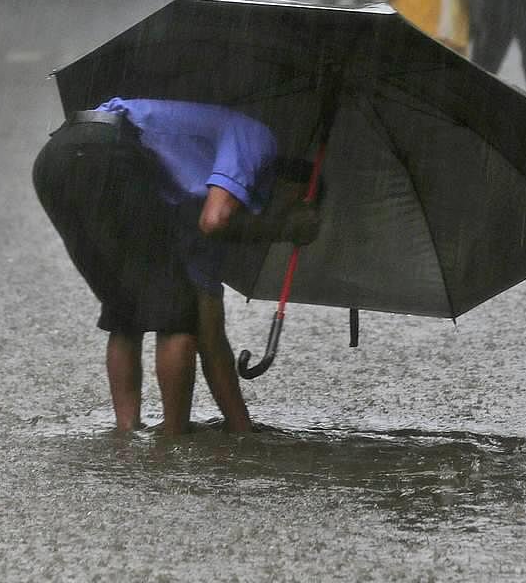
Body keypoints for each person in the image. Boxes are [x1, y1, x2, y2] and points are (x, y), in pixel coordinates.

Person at [32, 98, 320, 436]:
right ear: (289, 186)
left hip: (56, 161)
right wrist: (283, 229)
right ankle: (174, 437)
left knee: (125, 308)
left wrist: (242, 429)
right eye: (298, 207)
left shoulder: (199, 203)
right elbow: (215, 220)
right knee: (178, 313)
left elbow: (212, 336)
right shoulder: (255, 139)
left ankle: (126, 433)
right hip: (105, 149)